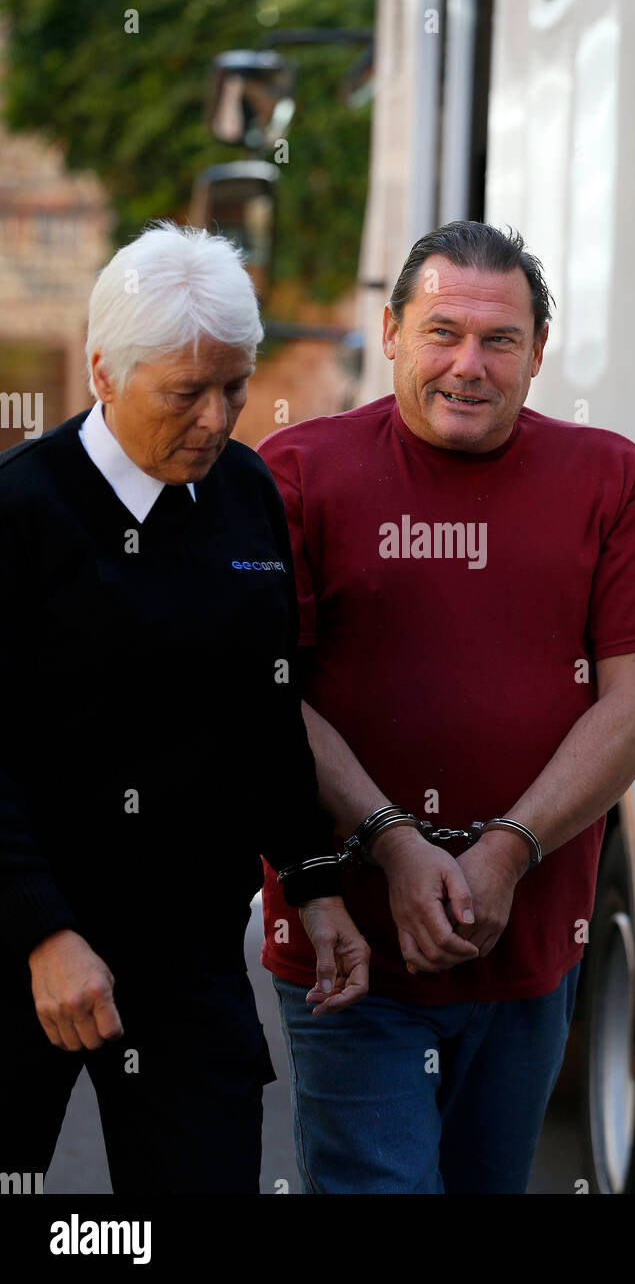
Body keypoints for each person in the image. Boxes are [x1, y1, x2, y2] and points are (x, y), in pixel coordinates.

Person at [257, 219, 635, 1194]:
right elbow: (262, 692)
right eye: (442, 331)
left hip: (529, 943)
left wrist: (502, 851)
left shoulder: (612, 482)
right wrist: (394, 843)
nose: (468, 363)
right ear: (390, 331)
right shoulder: (292, 474)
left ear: (538, 352)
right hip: (348, 944)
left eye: (499, 340)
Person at [0, 221, 369, 1195]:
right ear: (103, 373)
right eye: (185, 392)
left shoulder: (245, 493)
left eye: (235, 386)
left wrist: (316, 880)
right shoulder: (21, 511)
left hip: (187, 958)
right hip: (19, 944)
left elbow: (266, 712)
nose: (215, 417)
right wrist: (43, 929)